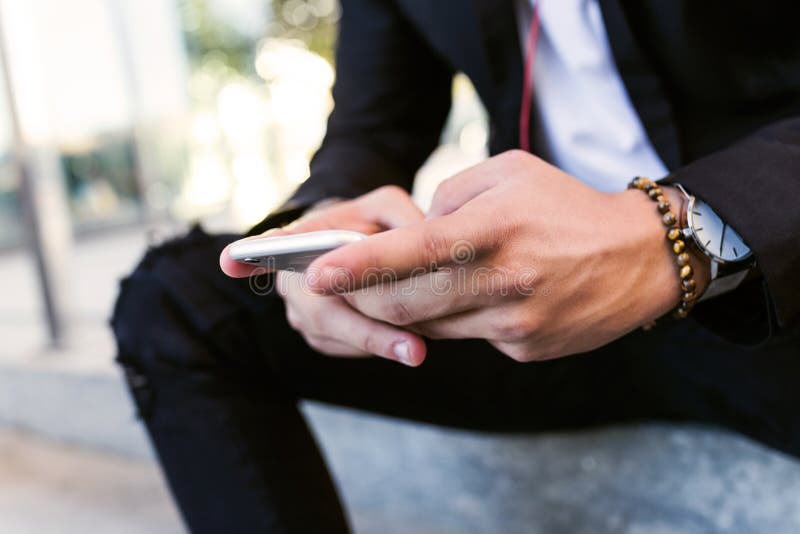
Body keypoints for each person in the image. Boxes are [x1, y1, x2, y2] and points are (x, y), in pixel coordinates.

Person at [112, 1, 800, 532]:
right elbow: (370, 131)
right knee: (179, 299)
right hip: (529, 310)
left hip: (765, 284)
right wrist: (320, 235)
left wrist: (674, 236)